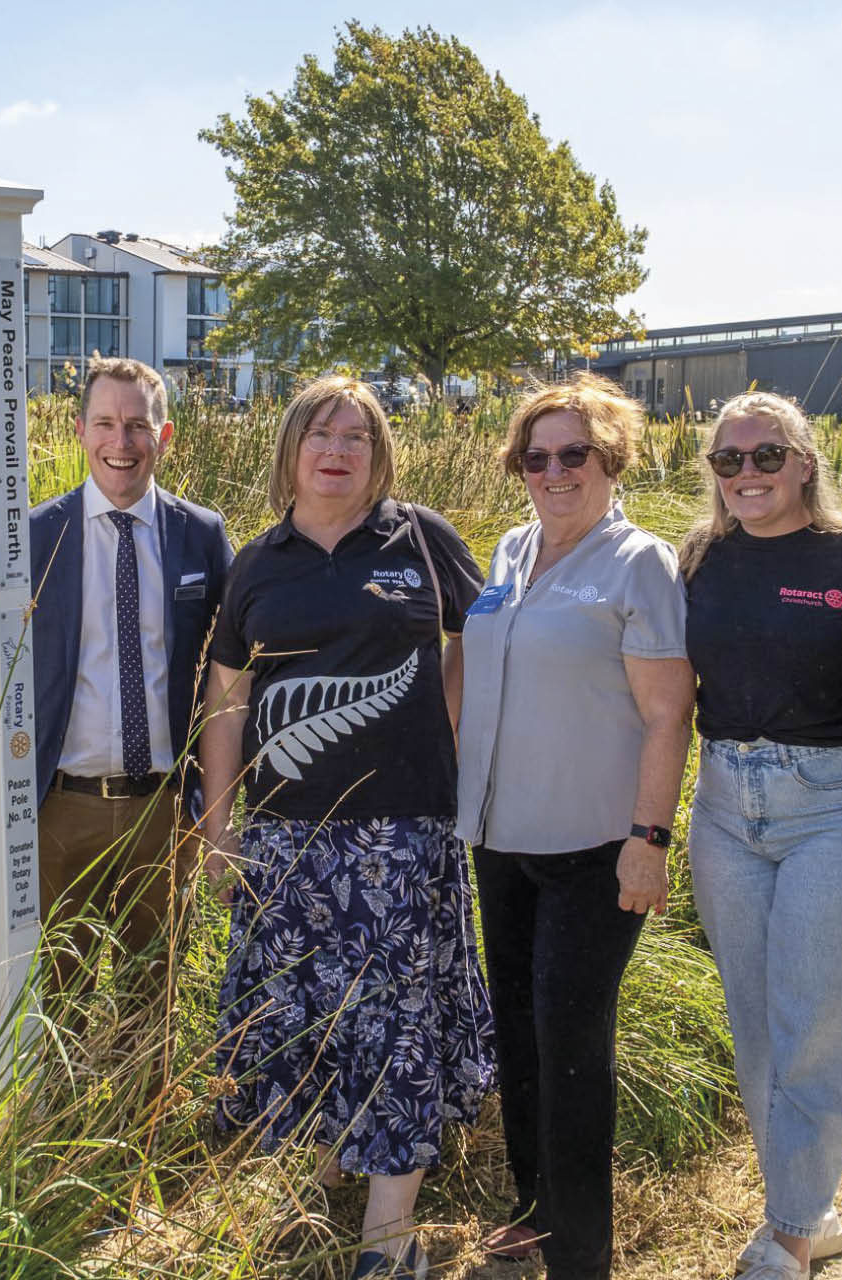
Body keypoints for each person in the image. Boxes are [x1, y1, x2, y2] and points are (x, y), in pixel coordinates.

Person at [198, 375, 495, 1280]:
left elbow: (481, 636)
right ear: (290, 448)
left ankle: (388, 1239)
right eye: (321, 433)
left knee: (397, 1022)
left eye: (357, 436)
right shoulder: (259, 561)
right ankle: (333, 1176)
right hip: (287, 836)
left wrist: (438, 721)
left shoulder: (419, 537)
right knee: (314, 1020)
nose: (338, 449)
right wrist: (217, 827)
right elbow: (225, 700)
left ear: (379, 454)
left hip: (402, 832)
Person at [455, 374, 693, 1280]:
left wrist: (649, 837)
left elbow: (670, 712)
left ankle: (583, 1252)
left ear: (611, 460)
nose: (553, 471)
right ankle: (533, 1208)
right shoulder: (510, 552)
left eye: (573, 454)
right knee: (516, 1022)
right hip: (502, 837)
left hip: (596, 845)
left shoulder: (639, 562)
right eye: (536, 456)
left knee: (569, 1030)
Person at [677, 392, 842, 1280]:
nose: (746, 475)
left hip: (835, 804)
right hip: (726, 805)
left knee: (818, 1022)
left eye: (766, 457)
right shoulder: (700, 557)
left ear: (805, 461)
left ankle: (793, 1230)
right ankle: (806, 1209)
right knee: (758, 1024)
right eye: (727, 461)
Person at [28, 356, 233, 1037]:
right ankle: (62, 1136)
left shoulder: (201, 535)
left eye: (138, 426)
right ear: (80, 430)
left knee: (155, 998)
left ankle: (145, 1135)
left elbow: (228, 674)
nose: (122, 443)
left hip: (163, 810)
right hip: (61, 808)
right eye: (107, 424)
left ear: (165, 436)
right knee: (61, 1004)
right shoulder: (33, 537)